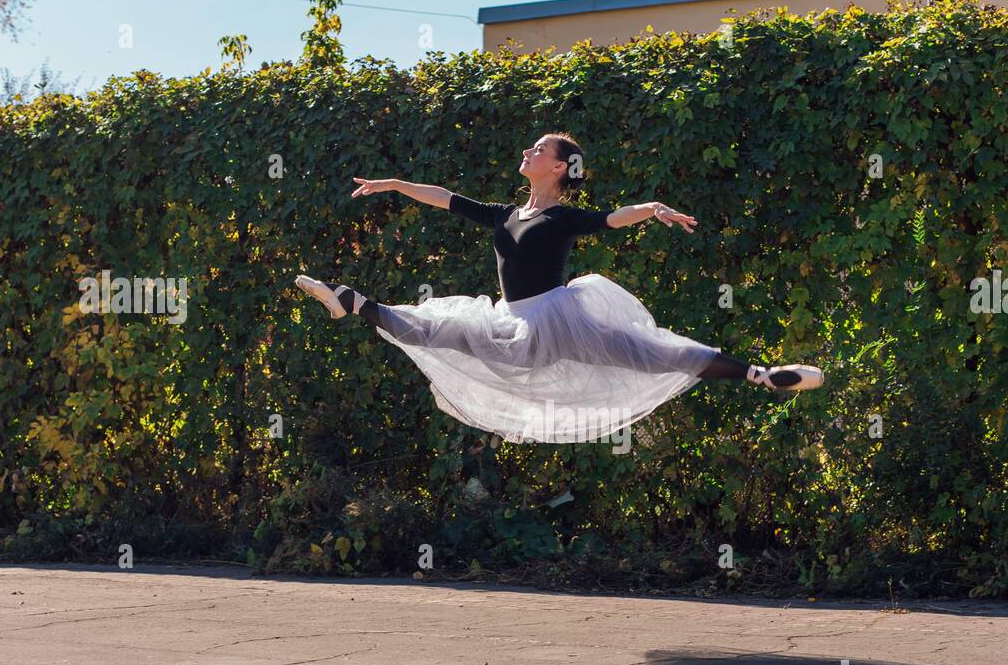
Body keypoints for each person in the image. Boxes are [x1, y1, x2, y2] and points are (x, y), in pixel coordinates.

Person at [295, 131, 823, 443]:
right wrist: (393, 184)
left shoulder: (564, 218)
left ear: (557, 166)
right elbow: (446, 197)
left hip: (558, 320)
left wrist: (654, 209)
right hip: (510, 321)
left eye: (537, 148)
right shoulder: (504, 213)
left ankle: (761, 374)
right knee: (433, 329)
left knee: (651, 352)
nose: (527, 151)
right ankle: (351, 302)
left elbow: (613, 218)